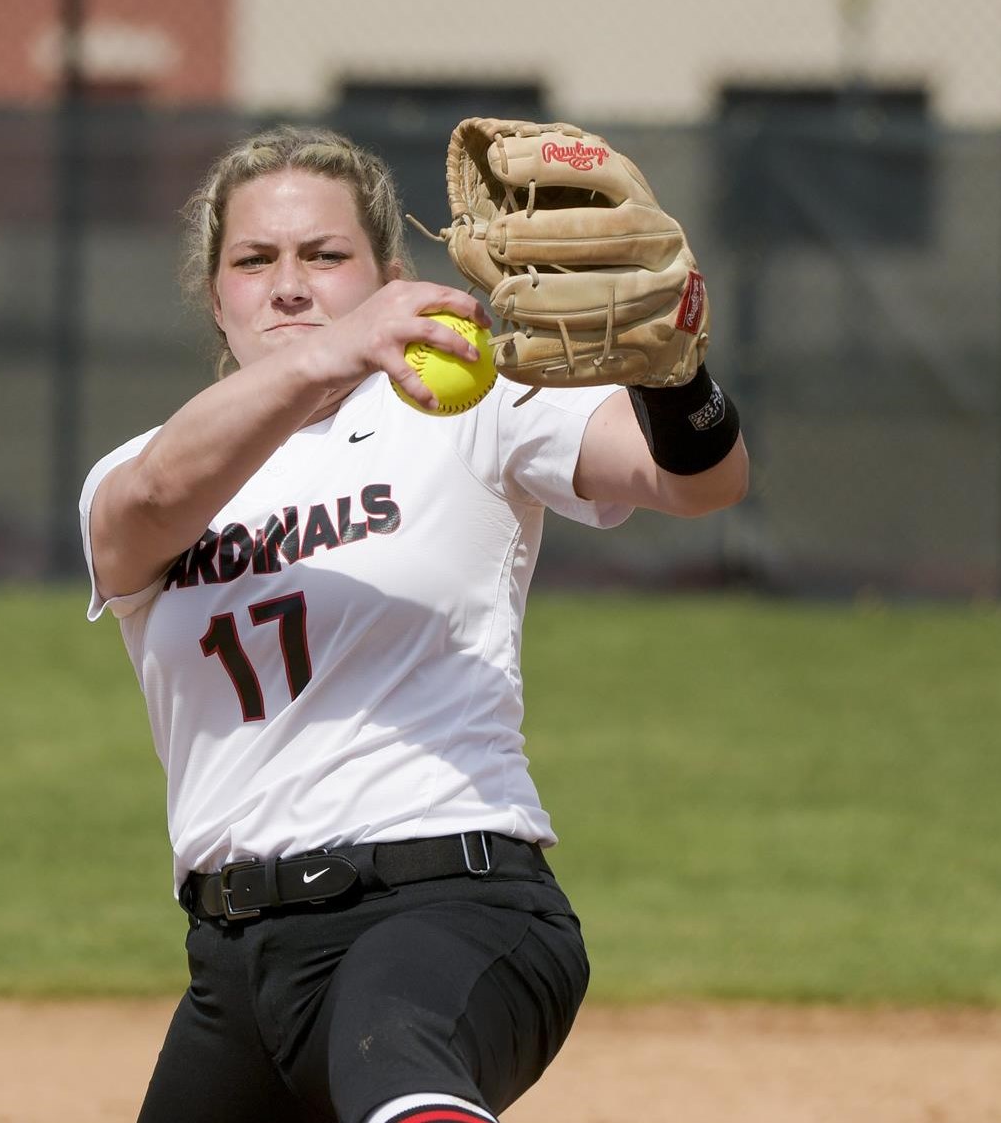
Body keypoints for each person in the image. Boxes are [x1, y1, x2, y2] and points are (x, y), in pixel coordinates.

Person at [79, 125, 749, 1123]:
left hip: (446, 908)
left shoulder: (470, 409)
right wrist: (332, 356)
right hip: (233, 966)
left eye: (325, 256)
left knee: (400, 1073)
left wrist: (673, 378)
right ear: (214, 295)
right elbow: (153, 500)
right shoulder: (144, 468)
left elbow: (694, 484)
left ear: (390, 277)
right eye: (253, 261)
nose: (289, 286)